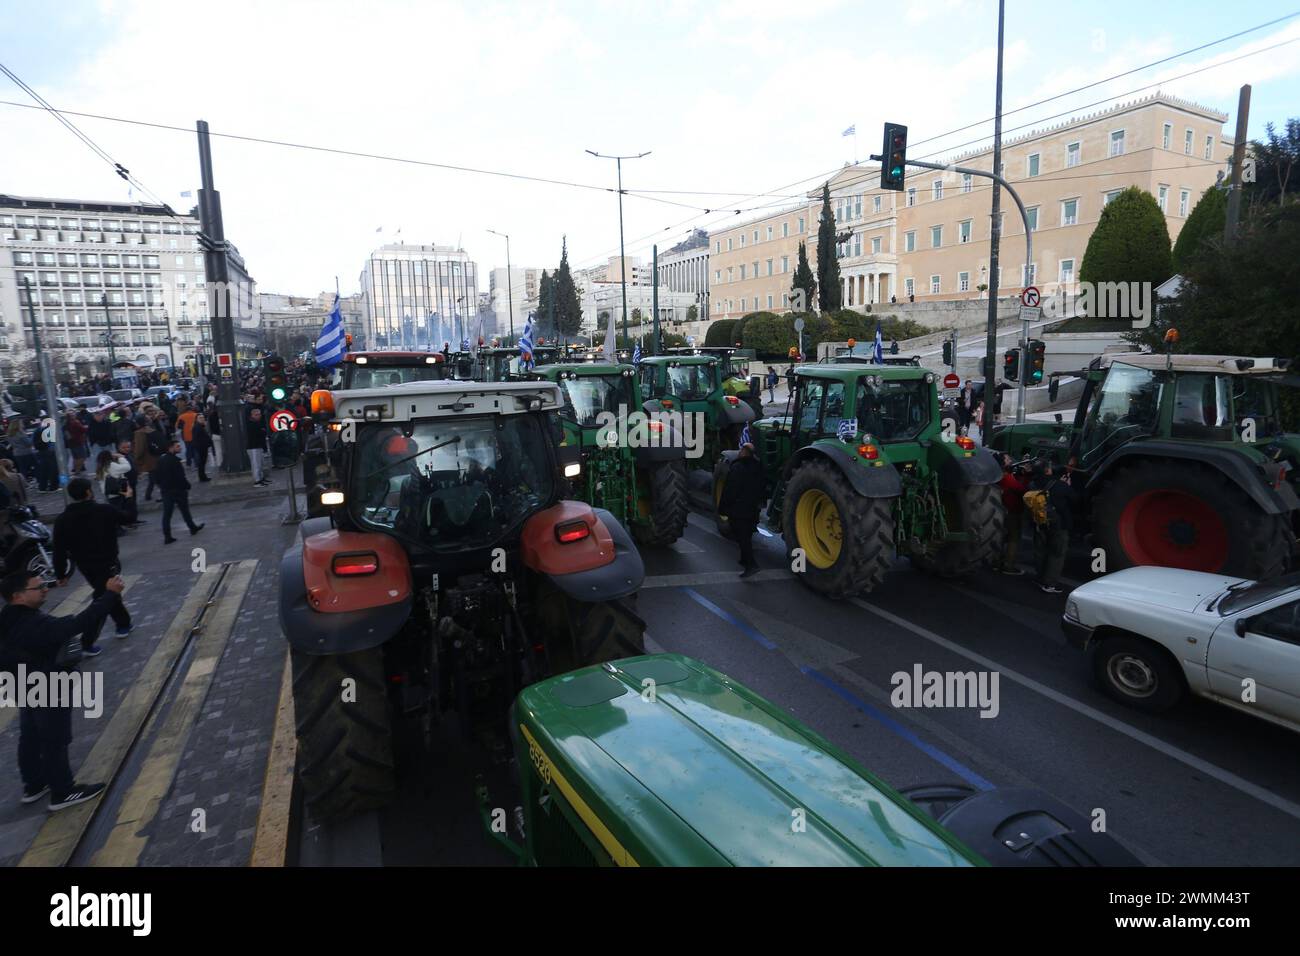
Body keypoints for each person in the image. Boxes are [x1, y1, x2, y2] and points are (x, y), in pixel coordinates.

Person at [0, 569, 118, 810]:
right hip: (47, 686)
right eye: (38, 587)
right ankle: (63, 792)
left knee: (30, 735)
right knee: (54, 739)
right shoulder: (34, 623)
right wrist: (110, 596)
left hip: (21, 684)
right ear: (18, 596)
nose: (45, 589)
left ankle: (34, 785)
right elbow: (77, 624)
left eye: (44, 584)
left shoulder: (6, 618)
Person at [52, 477, 133, 654]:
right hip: (107, 563)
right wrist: (128, 497)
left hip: (85, 566)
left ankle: (123, 623)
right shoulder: (104, 510)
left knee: (107, 592)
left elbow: (58, 550)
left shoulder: (63, 519)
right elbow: (129, 518)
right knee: (103, 597)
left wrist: (61, 574)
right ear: (88, 492)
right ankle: (86, 641)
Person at [717, 442, 766, 578]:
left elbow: (730, 490)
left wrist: (723, 507)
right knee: (747, 535)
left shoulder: (737, 467)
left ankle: (751, 565)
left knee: (742, 537)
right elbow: (762, 486)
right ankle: (744, 560)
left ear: (744, 452)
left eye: (741, 450)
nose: (739, 452)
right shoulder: (758, 466)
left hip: (739, 509)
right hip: (752, 508)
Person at [1031, 461, 1072, 594]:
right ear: (1047, 471)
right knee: (1056, 553)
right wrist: (1067, 486)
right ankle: (1050, 583)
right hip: (1058, 524)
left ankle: (1039, 577)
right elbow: (1076, 499)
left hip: (1039, 522)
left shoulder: (1032, 484)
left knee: (1040, 549)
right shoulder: (1060, 485)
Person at [154, 438, 204, 544]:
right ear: (171, 448)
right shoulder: (175, 461)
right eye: (177, 446)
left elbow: (156, 477)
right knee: (185, 511)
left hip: (166, 491)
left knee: (167, 514)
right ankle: (192, 528)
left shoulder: (161, 460)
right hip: (178, 490)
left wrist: (162, 486)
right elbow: (180, 477)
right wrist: (187, 486)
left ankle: (168, 536)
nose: (180, 447)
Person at [993, 453, 1028, 575]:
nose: (1010, 461)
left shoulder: (996, 476)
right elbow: (1021, 490)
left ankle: (996, 562)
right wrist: (1027, 476)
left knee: (1000, 537)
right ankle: (1008, 565)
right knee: (1013, 539)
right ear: (1003, 464)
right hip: (1012, 512)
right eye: (1008, 459)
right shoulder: (1007, 478)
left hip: (1001, 510)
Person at [246, 407, 270, 486]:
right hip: (253, 446)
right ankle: (257, 481)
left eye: (259, 414)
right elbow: (259, 433)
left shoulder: (256, 423)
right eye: (256, 415)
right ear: (252, 415)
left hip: (257, 446)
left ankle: (261, 478)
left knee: (260, 464)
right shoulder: (251, 424)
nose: (258, 416)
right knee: (256, 464)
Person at [191, 412, 214, 482]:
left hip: (202, 447)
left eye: (203, 418)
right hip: (201, 447)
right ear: (196, 419)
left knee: (202, 462)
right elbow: (199, 438)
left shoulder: (199, 426)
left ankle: (203, 476)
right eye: (200, 418)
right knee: (202, 462)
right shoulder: (197, 427)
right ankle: (202, 477)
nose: (202, 419)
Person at [177, 403, 199, 468]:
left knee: (188, 450)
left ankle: (188, 464)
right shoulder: (196, 415)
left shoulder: (181, 417)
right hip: (196, 435)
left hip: (186, 436)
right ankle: (197, 464)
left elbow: (178, 426)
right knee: (196, 450)